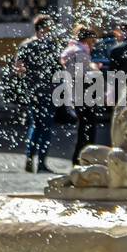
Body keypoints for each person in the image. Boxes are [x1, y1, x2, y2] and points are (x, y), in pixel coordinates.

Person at [15, 14, 60, 174]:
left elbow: (19, 69)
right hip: (48, 91)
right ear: (46, 28)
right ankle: (41, 163)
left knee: (35, 124)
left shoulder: (25, 45)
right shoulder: (51, 45)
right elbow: (58, 68)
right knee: (46, 127)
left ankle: (29, 158)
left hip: (32, 91)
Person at [61, 26, 102, 165]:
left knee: (83, 127)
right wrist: (95, 70)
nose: (94, 43)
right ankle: (84, 158)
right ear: (88, 39)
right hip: (84, 95)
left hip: (77, 94)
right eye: (92, 40)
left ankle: (79, 159)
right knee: (88, 128)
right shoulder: (80, 53)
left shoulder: (73, 50)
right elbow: (81, 76)